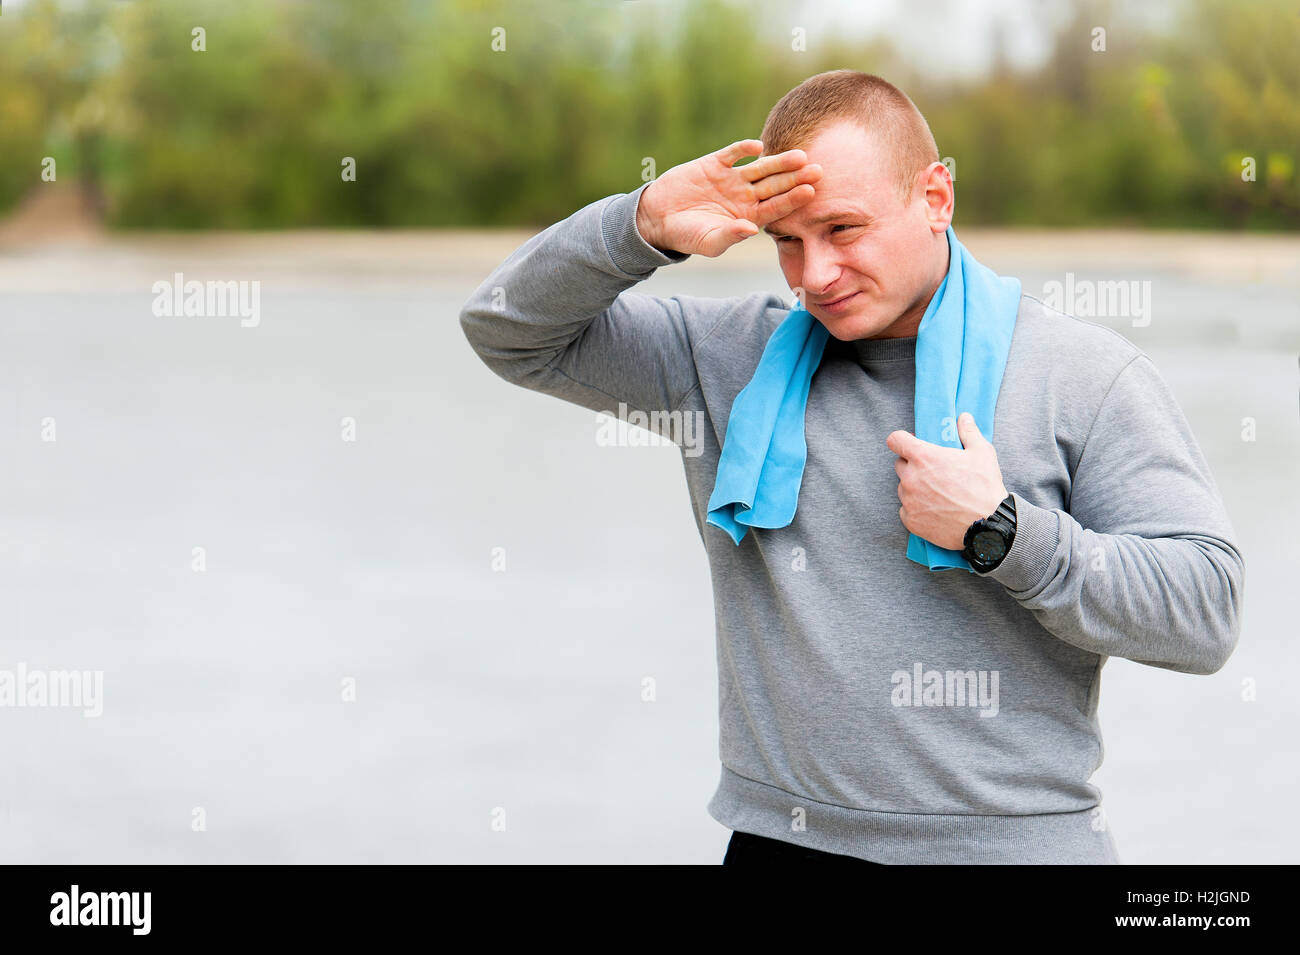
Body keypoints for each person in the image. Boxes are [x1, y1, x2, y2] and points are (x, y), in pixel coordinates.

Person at [459, 69, 1244, 865]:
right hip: (778, 841)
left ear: (936, 198)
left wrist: (1006, 535)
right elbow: (507, 330)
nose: (815, 276)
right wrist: (641, 225)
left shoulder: (1083, 374)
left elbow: (1205, 611)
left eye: (843, 229)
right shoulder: (721, 358)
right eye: (787, 243)